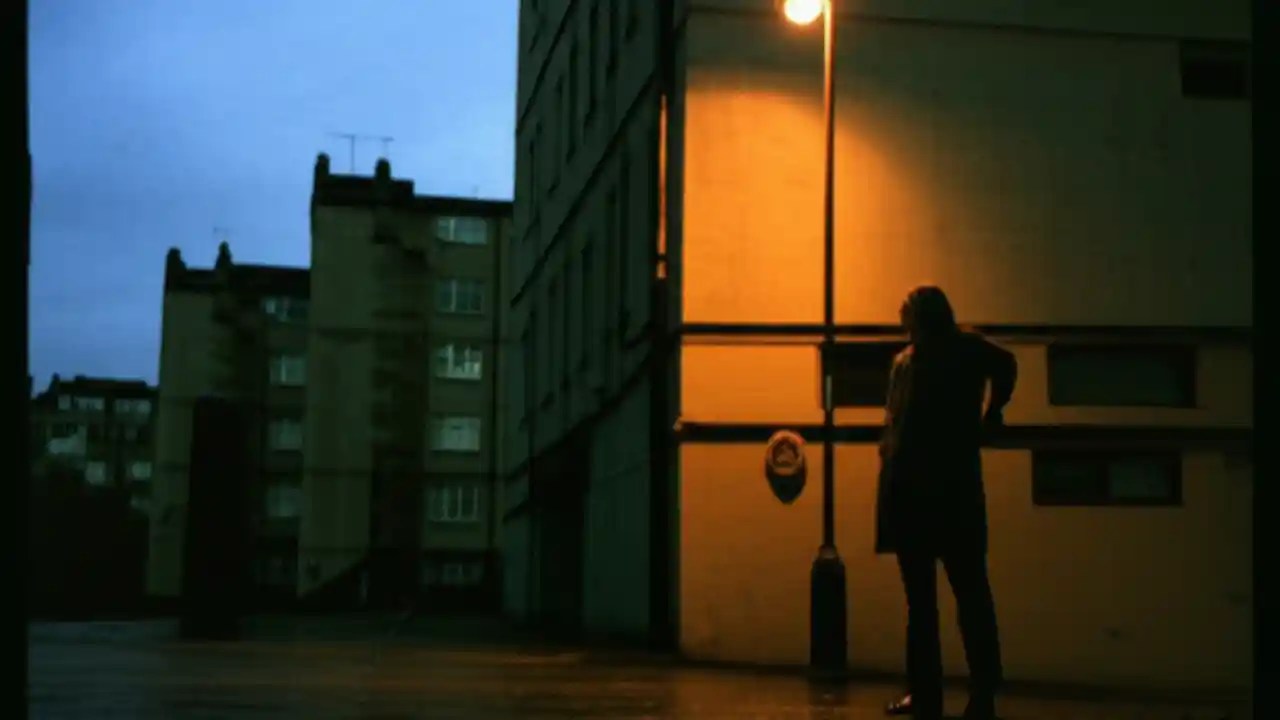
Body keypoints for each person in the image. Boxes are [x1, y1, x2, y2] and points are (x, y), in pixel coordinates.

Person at [875, 286, 1017, 720]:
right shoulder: (950, 354)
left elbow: (895, 428)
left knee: (945, 598)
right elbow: (1007, 365)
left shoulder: (935, 356)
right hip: (942, 490)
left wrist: (992, 412)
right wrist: (993, 413)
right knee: (956, 595)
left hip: (932, 490)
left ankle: (951, 692)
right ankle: (965, 692)